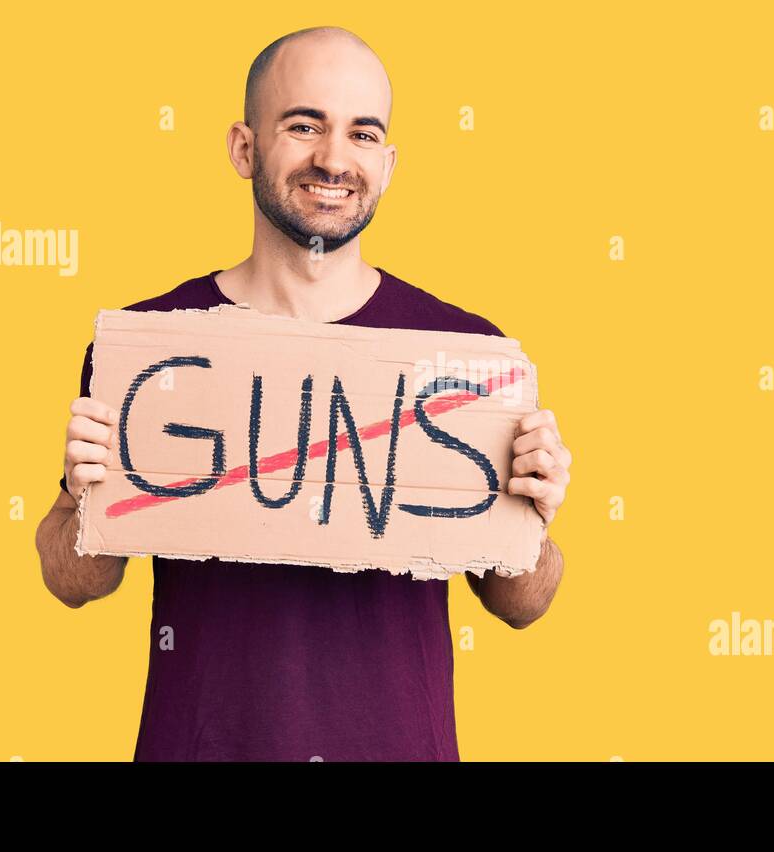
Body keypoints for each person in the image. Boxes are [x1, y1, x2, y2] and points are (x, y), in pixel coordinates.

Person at [34, 26, 571, 761]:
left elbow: (521, 604)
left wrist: (532, 517)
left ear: (387, 164)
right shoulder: (151, 348)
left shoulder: (467, 355)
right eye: (303, 125)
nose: (333, 158)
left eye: (361, 133)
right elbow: (75, 579)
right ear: (244, 148)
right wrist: (82, 491)